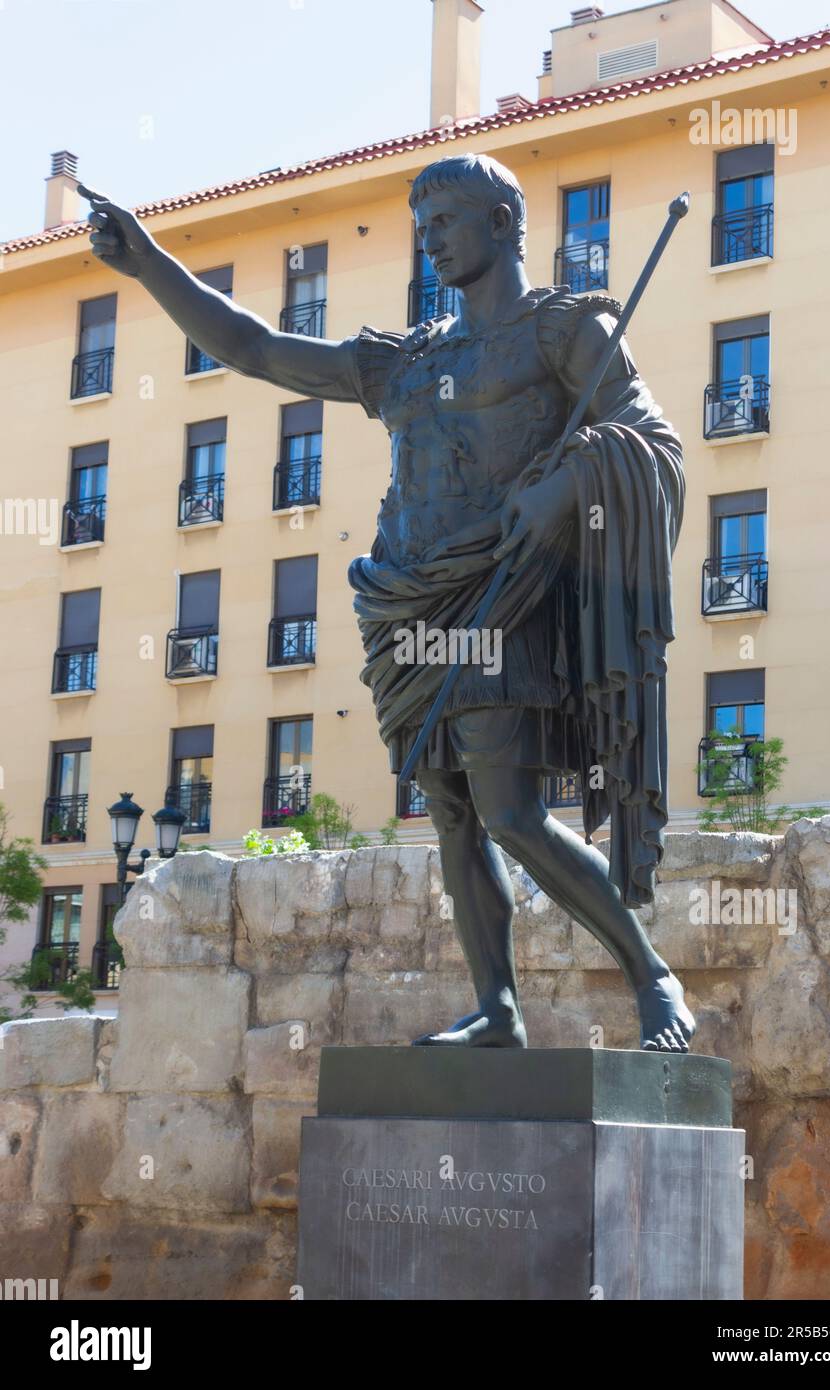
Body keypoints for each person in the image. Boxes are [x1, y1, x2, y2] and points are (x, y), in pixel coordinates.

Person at [80, 152, 694, 1052]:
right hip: (407, 603)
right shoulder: (405, 359)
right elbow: (253, 349)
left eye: (446, 220)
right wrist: (150, 266)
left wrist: (561, 490)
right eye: (422, 225)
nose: (429, 240)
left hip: (502, 595)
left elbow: (650, 440)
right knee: (448, 808)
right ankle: (497, 1009)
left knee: (512, 812)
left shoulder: (564, 332)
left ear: (502, 223)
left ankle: (652, 976)